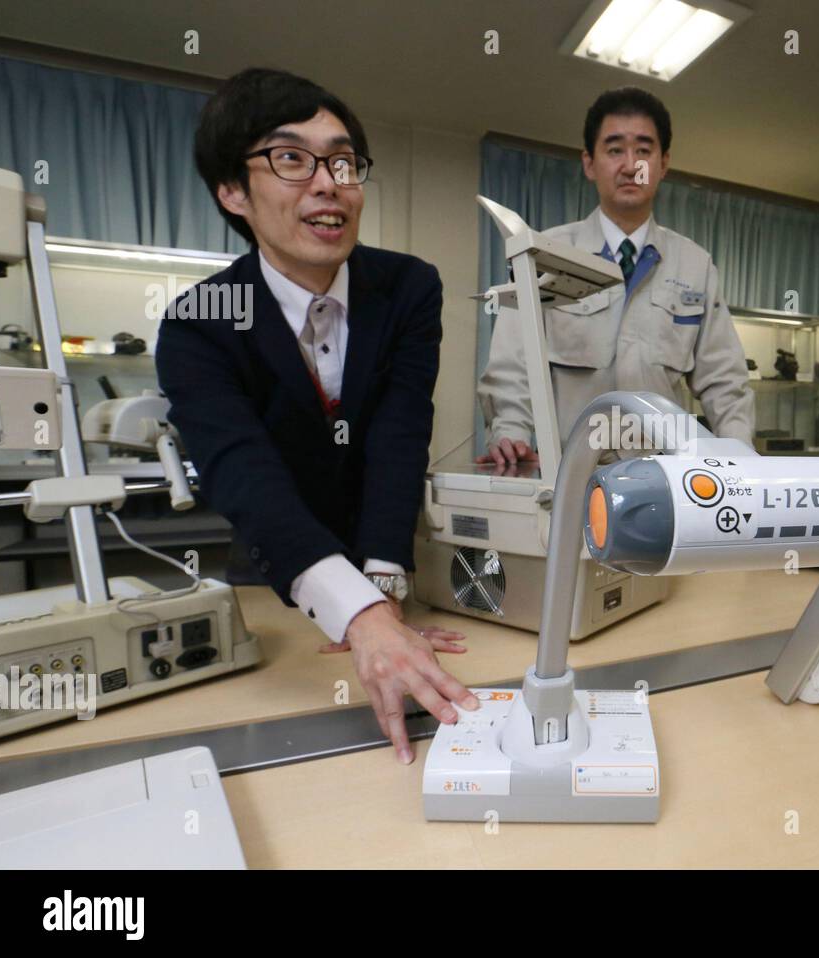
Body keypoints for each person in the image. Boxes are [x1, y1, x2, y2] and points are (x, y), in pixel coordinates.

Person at [156, 68, 477, 764]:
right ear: (232, 191)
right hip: (275, 565)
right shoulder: (197, 321)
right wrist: (350, 606)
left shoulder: (407, 287)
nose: (328, 182)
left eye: (341, 160)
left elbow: (399, 434)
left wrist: (382, 594)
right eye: (291, 159)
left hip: (388, 550)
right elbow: (240, 469)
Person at [477, 87, 753, 467]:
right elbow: (512, 367)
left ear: (663, 163)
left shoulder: (695, 265)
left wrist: (739, 460)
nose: (630, 165)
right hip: (569, 479)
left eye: (644, 150)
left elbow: (725, 381)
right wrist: (510, 435)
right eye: (614, 149)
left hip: (666, 483)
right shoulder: (544, 254)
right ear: (590, 163)